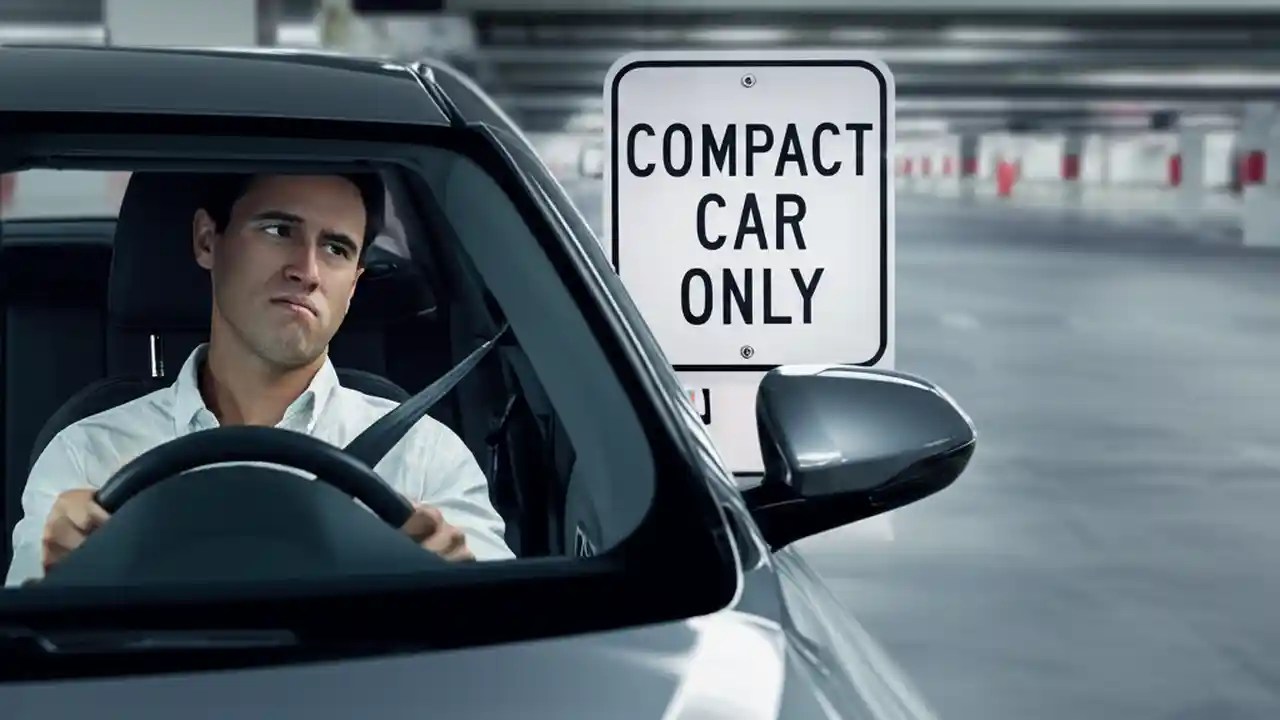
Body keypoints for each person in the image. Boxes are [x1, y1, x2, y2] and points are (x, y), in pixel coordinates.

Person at [5, 172, 514, 587]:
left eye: (336, 248)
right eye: (278, 230)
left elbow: (510, 653)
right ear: (208, 240)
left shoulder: (424, 459)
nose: (308, 270)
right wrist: (53, 577)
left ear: (354, 285)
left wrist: (463, 582)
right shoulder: (86, 456)